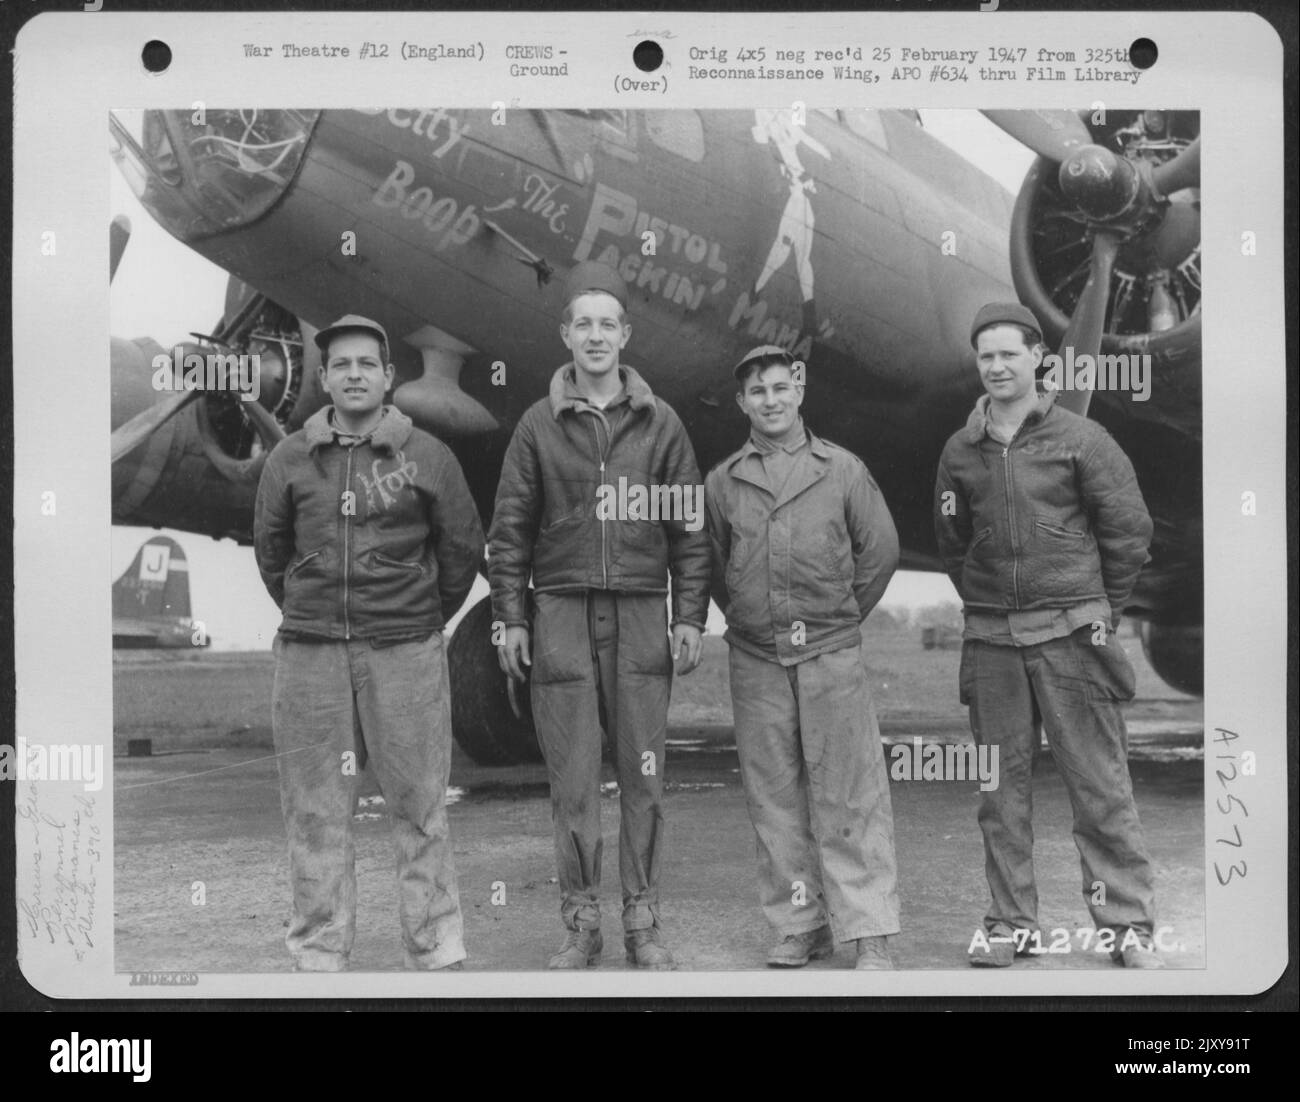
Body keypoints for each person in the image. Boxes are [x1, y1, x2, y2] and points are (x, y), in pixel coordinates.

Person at [488, 261, 710, 971]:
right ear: (565, 335)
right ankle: (581, 924)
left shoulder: (662, 422)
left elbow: (690, 528)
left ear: (625, 334)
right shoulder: (536, 426)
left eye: (606, 323)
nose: (594, 335)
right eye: (582, 323)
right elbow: (511, 528)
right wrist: (511, 617)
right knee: (574, 778)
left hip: (644, 611)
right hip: (560, 612)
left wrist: (691, 615)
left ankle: (643, 922)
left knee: (644, 773)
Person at [933, 302, 1163, 969]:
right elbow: (952, 542)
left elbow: (1129, 532)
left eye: (1009, 353)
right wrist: (988, 603)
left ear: (1039, 357)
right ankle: (1010, 926)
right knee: (999, 797)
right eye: (986, 356)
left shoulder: (1082, 440)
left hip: (1073, 636)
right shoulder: (959, 451)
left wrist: (1099, 609)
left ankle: (1128, 929)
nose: (997, 366)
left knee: (1099, 787)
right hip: (992, 645)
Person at [254, 314, 484, 972]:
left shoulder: (428, 457)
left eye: (367, 365)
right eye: (341, 365)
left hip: (404, 651)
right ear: (324, 378)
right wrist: (313, 606)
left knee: (419, 805)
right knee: (316, 809)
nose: (354, 374)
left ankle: (436, 945)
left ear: (389, 377)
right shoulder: (290, 459)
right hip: (310, 653)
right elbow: (273, 553)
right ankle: (320, 950)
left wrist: (413, 611)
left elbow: (461, 547)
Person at [704, 345, 902, 970]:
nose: (770, 400)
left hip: (830, 655)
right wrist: (755, 619)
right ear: (742, 403)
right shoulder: (723, 481)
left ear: (800, 390)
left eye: (779, 388)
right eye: (756, 392)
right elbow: (714, 567)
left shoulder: (842, 469)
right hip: (755, 659)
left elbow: (881, 553)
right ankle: (800, 924)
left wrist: (836, 620)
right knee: (774, 798)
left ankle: (869, 930)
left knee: (850, 791)